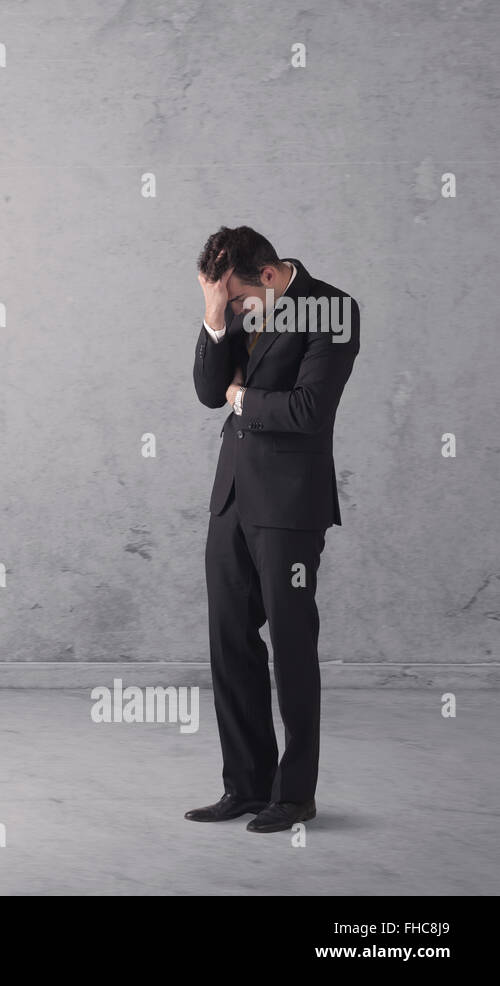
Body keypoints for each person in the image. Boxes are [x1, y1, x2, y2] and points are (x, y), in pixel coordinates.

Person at [186, 225, 360, 833]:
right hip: (232, 498)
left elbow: (310, 411)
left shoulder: (331, 309)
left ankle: (294, 794)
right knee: (230, 643)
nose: (231, 314)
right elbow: (211, 392)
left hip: (289, 506)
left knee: (290, 648)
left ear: (267, 276)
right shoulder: (233, 306)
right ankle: (247, 786)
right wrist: (213, 315)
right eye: (223, 305)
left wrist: (244, 398)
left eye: (233, 301)